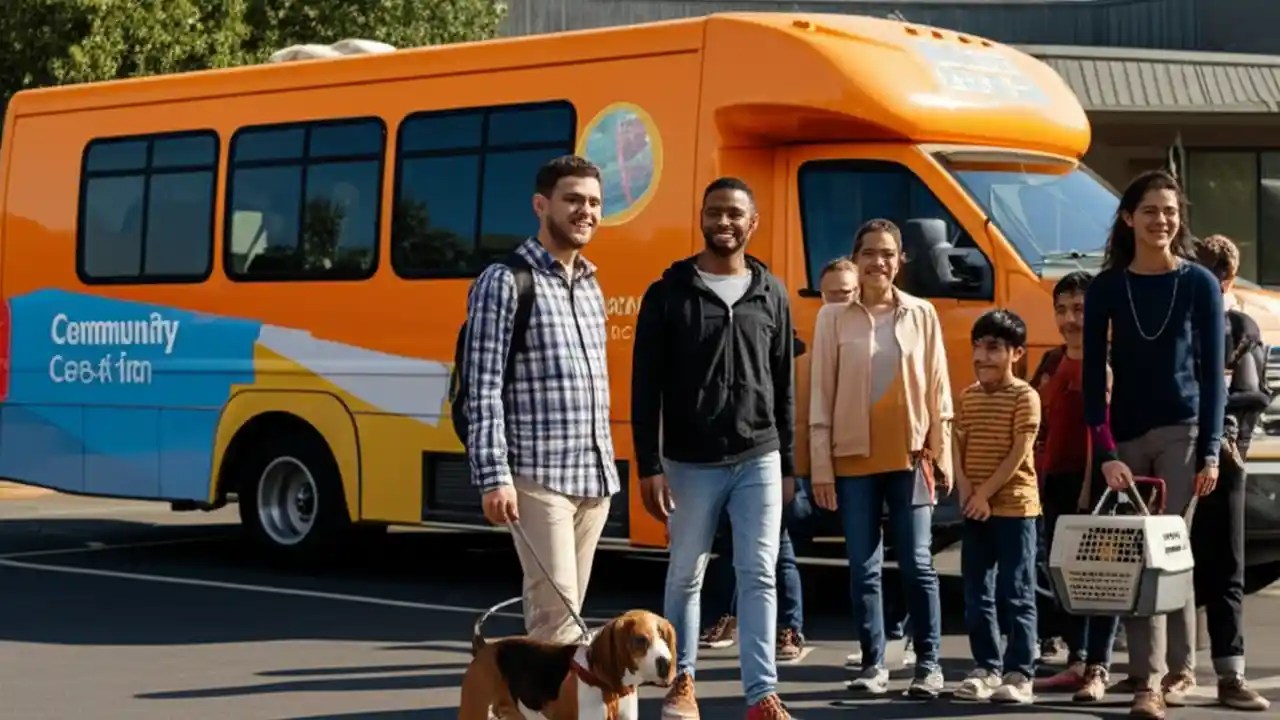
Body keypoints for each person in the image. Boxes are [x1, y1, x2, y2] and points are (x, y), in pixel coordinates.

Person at [632, 176, 796, 720]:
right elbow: (644, 383)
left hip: (759, 457)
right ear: (701, 219)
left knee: (759, 573)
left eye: (734, 214)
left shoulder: (771, 292)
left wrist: (789, 462)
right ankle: (682, 681)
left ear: (752, 225)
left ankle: (762, 695)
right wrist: (649, 465)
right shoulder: (668, 293)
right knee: (686, 574)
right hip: (689, 461)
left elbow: (783, 383)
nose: (723, 222)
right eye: (714, 212)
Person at [1081, 169, 1225, 720]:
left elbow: (1214, 377)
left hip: (1183, 432)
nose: (1161, 220)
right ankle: (1166, 670)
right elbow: (1095, 378)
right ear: (1128, 219)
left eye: (1169, 211)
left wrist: (1211, 449)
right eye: (1150, 211)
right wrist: (1107, 448)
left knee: (1161, 553)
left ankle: (1152, 683)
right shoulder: (1108, 288)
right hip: (1125, 437)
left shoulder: (1199, 284)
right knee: (1149, 555)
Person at [463, 154, 620, 644]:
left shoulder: (591, 283)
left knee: (563, 621)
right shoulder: (505, 281)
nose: (586, 211)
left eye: (594, 202)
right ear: (541, 204)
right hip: (537, 476)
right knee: (559, 623)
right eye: (573, 199)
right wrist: (495, 478)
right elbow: (482, 386)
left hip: (593, 479)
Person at [809, 218, 952, 698]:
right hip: (851, 460)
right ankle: (873, 663)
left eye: (888, 253)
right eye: (869, 252)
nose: (879, 262)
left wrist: (943, 454)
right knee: (863, 566)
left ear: (900, 260)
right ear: (856, 258)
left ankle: (928, 664)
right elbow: (820, 396)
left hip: (912, 457)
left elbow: (938, 388)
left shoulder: (922, 314)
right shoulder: (833, 317)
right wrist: (821, 467)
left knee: (917, 563)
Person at [697, 257, 857, 661]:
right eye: (832, 294)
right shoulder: (797, 345)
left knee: (774, 546)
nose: (839, 301)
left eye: (847, 293)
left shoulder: (856, 347)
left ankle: (785, 627)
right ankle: (748, 621)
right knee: (743, 545)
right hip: (762, 458)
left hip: (804, 466)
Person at [1190, 234, 1271, 711]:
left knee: (1225, 565)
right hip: (1179, 450)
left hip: (1226, 455)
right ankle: (1161, 668)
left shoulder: (1239, 324)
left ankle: (1230, 670)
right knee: (1172, 562)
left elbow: (1256, 395)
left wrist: (1209, 398)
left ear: (1226, 279)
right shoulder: (1181, 322)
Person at [1031, 271, 1121, 702]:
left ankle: (1099, 666)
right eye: (1062, 309)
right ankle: (1076, 661)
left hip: (1101, 486)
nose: (1070, 319)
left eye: (1080, 309)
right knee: (1066, 572)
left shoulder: (1113, 361)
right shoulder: (1050, 362)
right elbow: (1037, 421)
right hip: (1056, 482)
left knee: (1104, 577)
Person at [950, 309, 1041, 705]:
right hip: (977, 507)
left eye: (994, 349)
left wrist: (986, 493)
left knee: (1016, 590)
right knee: (977, 591)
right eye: (978, 347)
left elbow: (1020, 451)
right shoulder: (967, 397)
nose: (983, 357)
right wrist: (970, 494)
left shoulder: (1025, 395)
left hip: (1015, 507)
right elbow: (959, 446)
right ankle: (985, 667)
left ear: (1016, 353)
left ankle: (1020, 672)